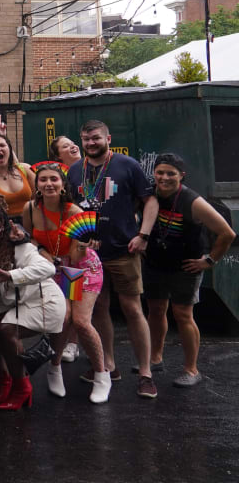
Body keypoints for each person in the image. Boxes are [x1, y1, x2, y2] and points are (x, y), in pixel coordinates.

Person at [66, 119, 159, 399]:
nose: (91, 143)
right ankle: (108, 365)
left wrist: (143, 235)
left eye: (96, 138)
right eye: (85, 139)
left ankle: (145, 374)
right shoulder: (74, 170)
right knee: (98, 310)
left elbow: (150, 200)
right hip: (88, 256)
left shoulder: (127, 165)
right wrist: (81, 240)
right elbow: (72, 209)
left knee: (132, 309)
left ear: (108, 138)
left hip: (123, 251)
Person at [0, 198, 66, 411]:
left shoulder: (19, 246)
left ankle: (22, 387)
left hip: (41, 300)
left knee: (7, 330)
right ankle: (4, 379)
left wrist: (9, 275)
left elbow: (48, 269)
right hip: (8, 302)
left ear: (2, 223)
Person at [144, 153, 235, 388]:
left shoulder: (192, 201)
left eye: (170, 173)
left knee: (183, 315)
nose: (164, 178)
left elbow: (227, 234)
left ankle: (191, 369)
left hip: (186, 266)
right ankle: (155, 358)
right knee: (155, 310)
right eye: (160, 172)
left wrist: (209, 261)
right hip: (155, 263)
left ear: (181, 176)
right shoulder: (149, 194)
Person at [23, 162, 109, 402]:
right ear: (37, 185)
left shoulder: (74, 211)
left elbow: (77, 256)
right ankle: (55, 368)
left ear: (62, 185)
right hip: (53, 267)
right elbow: (31, 240)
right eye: (43, 180)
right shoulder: (30, 209)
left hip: (80, 267)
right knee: (61, 318)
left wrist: (81, 245)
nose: (49, 183)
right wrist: (44, 254)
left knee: (80, 321)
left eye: (54, 179)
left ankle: (102, 375)